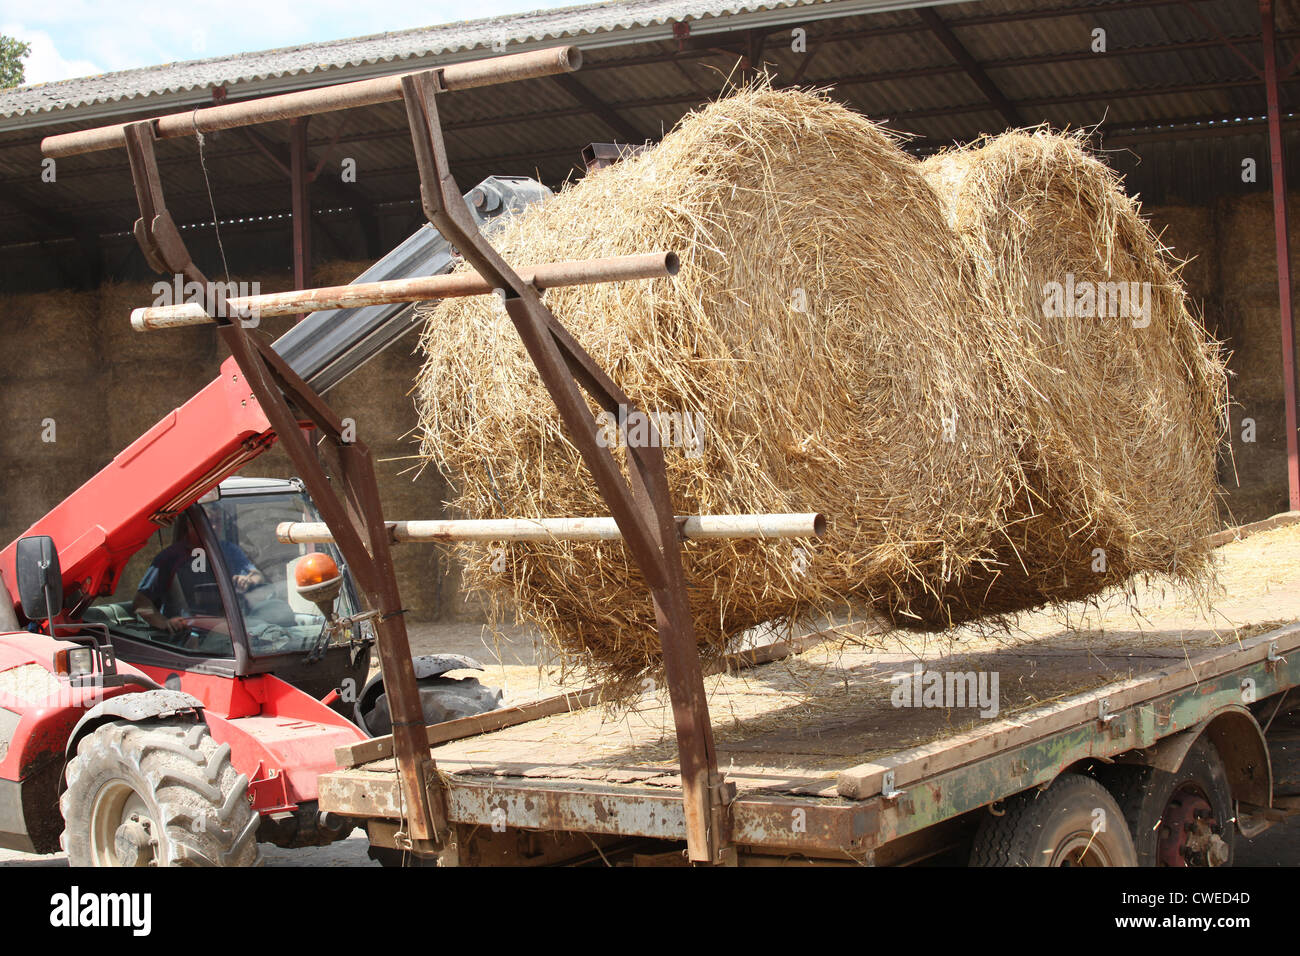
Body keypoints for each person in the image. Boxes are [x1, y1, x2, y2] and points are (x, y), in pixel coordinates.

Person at [134, 511, 296, 637]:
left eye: (217, 522)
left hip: (234, 632)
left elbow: (257, 575)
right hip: (189, 637)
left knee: (279, 612)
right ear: (190, 524)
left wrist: (248, 580)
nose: (213, 528)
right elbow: (141, 603)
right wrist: (164, 623)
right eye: (207, 523)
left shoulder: (227, 550)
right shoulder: (169, 558)